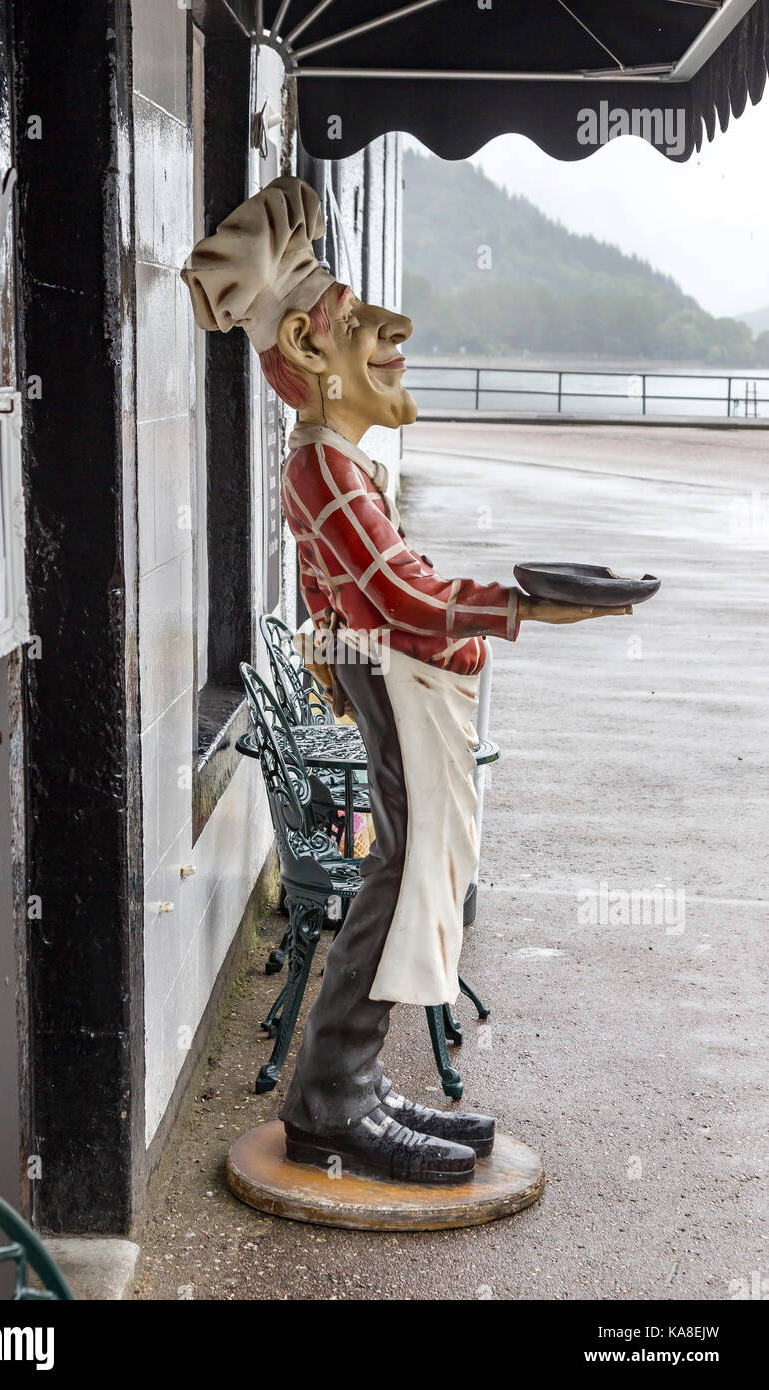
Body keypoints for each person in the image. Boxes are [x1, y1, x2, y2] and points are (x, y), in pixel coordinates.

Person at [182, 178, 630, 1185]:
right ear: (305, 350)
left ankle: (347, 1087)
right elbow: (403, 599)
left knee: (403, 869)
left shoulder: (334, 463)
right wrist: (520, 609)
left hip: (383, 683)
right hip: (396, 684)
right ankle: (331, 1104)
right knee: (399, 872)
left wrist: (365, 642)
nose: (394, 331)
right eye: (357, 323)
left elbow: (355, 593)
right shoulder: (327, 471)